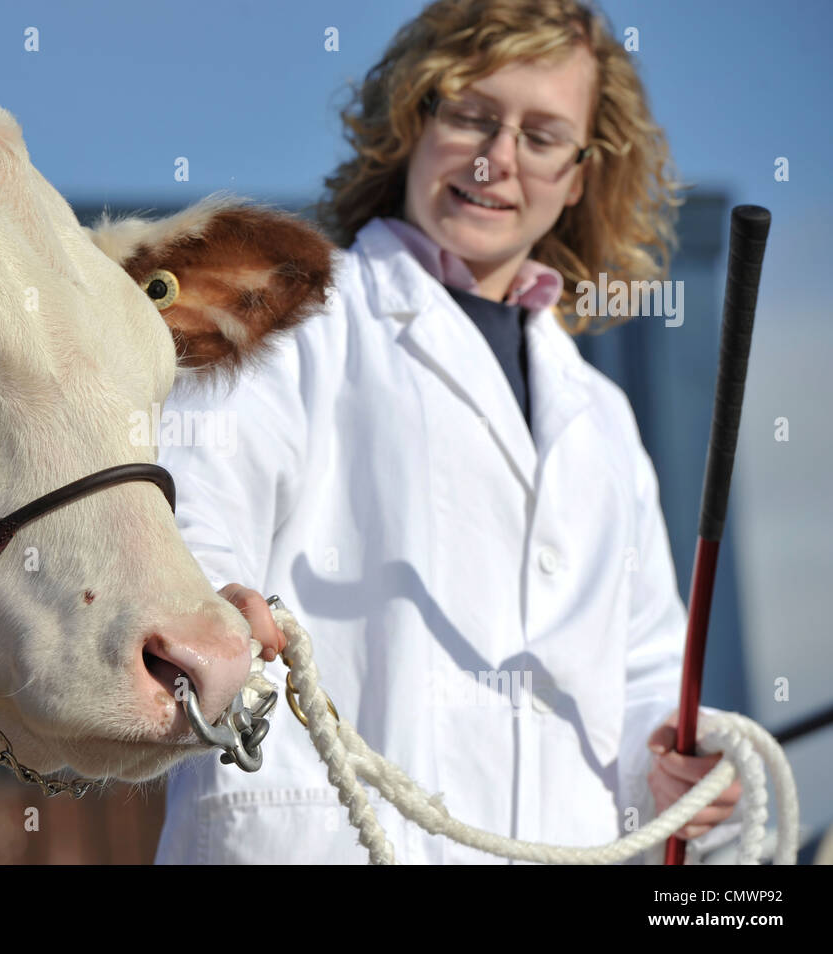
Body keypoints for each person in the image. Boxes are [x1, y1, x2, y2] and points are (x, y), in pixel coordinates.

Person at [153, 0, 742, 863]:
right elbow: (189, 508)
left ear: (578, 175)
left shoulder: (602, 419)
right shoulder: (299, 316)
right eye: (472, 115)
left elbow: (646, 677)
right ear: (415, 120)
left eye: (542, 135)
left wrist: (673, 773)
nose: (497, 158)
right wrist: (211, 597)